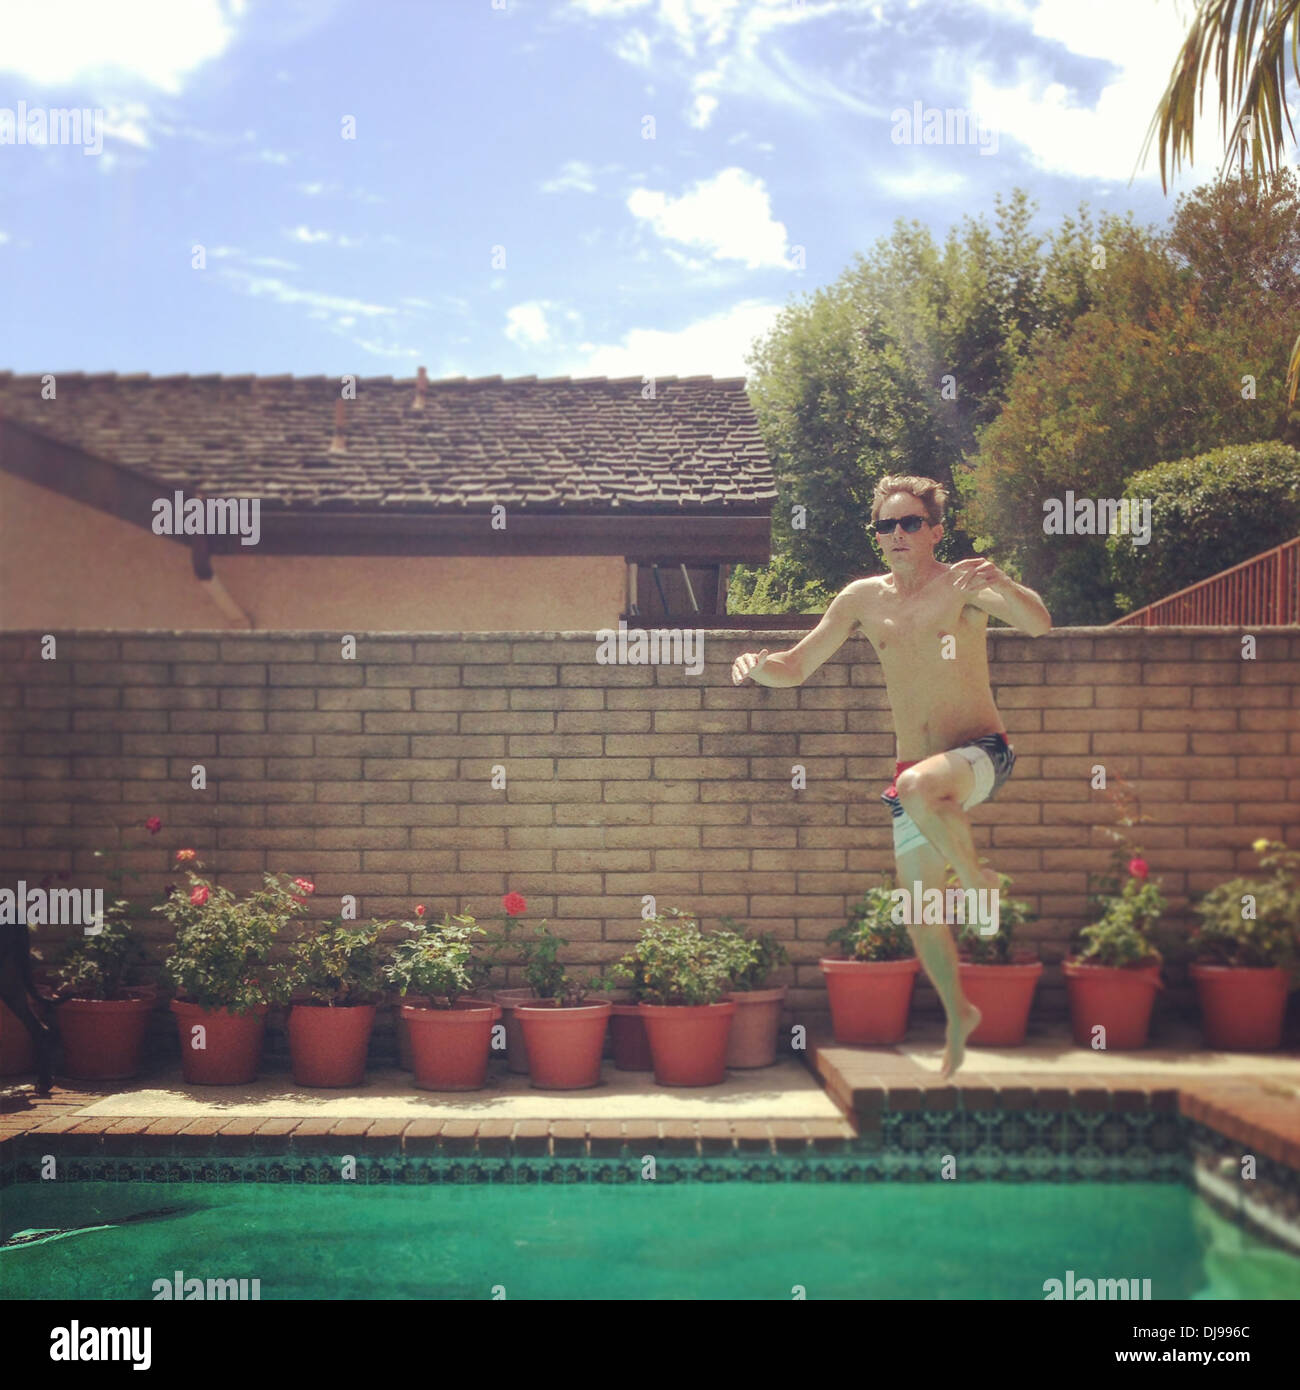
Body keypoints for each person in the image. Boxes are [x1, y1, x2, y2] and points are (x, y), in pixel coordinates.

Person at [731, 475, 1052, 1078]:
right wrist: (757, 667)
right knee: (919, 910)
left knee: (917, 789)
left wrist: (1002, 581)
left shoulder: (961, 585)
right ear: (876, 534)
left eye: (910, 523)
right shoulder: (861, 599)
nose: (898, 534)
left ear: (935, 530)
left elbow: (1038, 625)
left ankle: (978, 881)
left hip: (981, 754)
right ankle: (961, 1014)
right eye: (887, 525)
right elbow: (796, 666)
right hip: (917, 770)